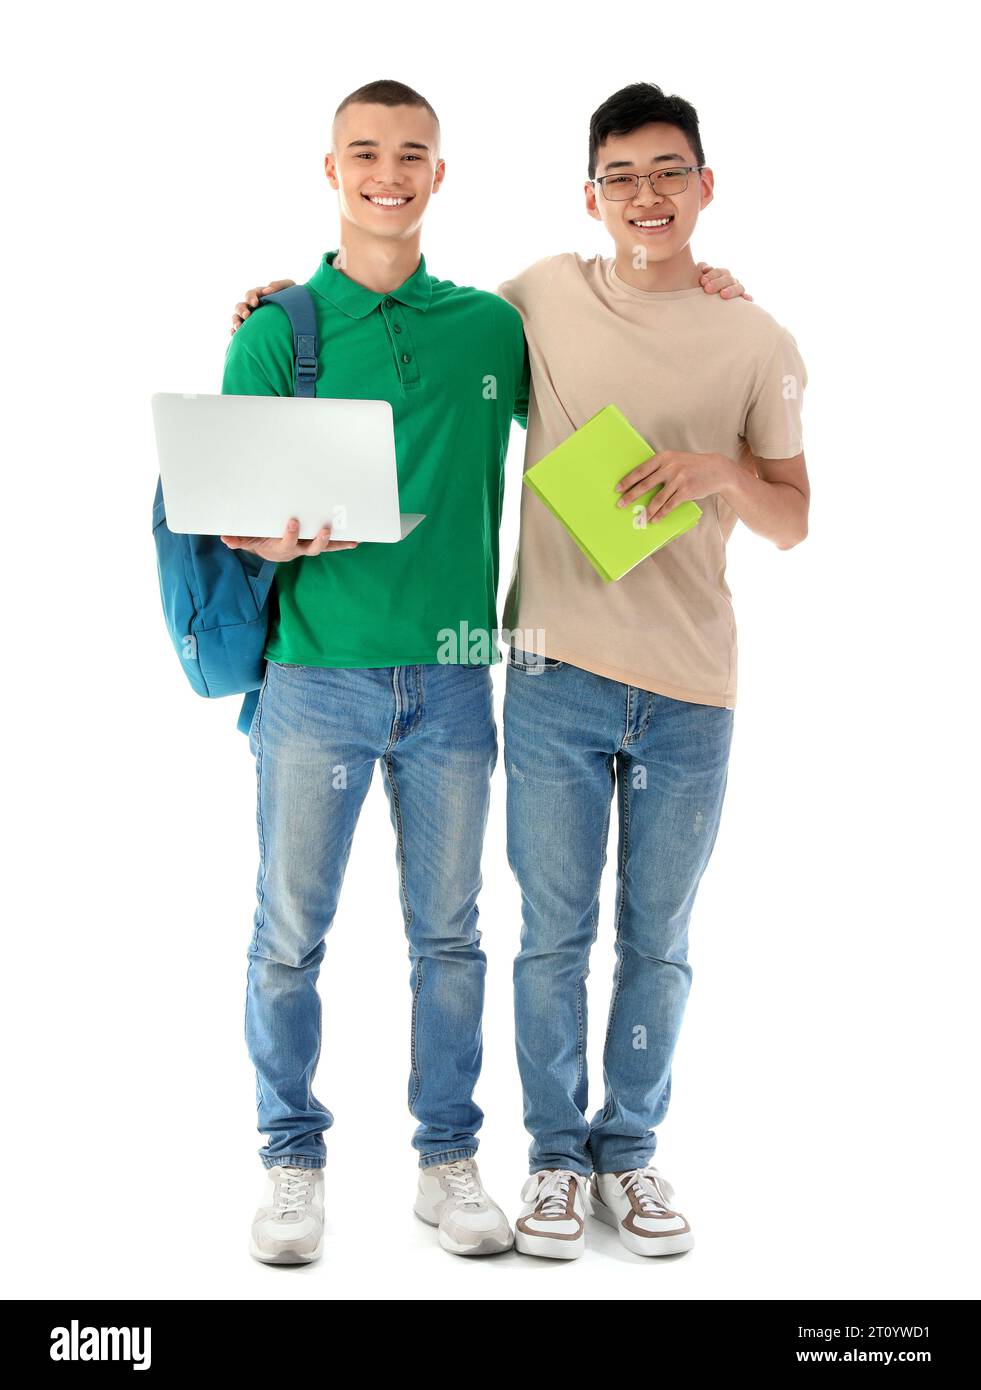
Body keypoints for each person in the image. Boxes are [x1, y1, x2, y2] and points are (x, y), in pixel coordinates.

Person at [228, 84, 757, 1264]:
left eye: (411, 153)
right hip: (315, 676)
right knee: (288, 936)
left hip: (463, 677)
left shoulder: (490, 323)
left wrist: (708, 290)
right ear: (331, 168)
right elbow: (232, 517)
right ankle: (291, 1159)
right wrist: (275, 536)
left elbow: (617, 327)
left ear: (439, 173)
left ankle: (447, 1158)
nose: (388, 172)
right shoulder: (277, 328)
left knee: (452, 938)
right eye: (365, 153)